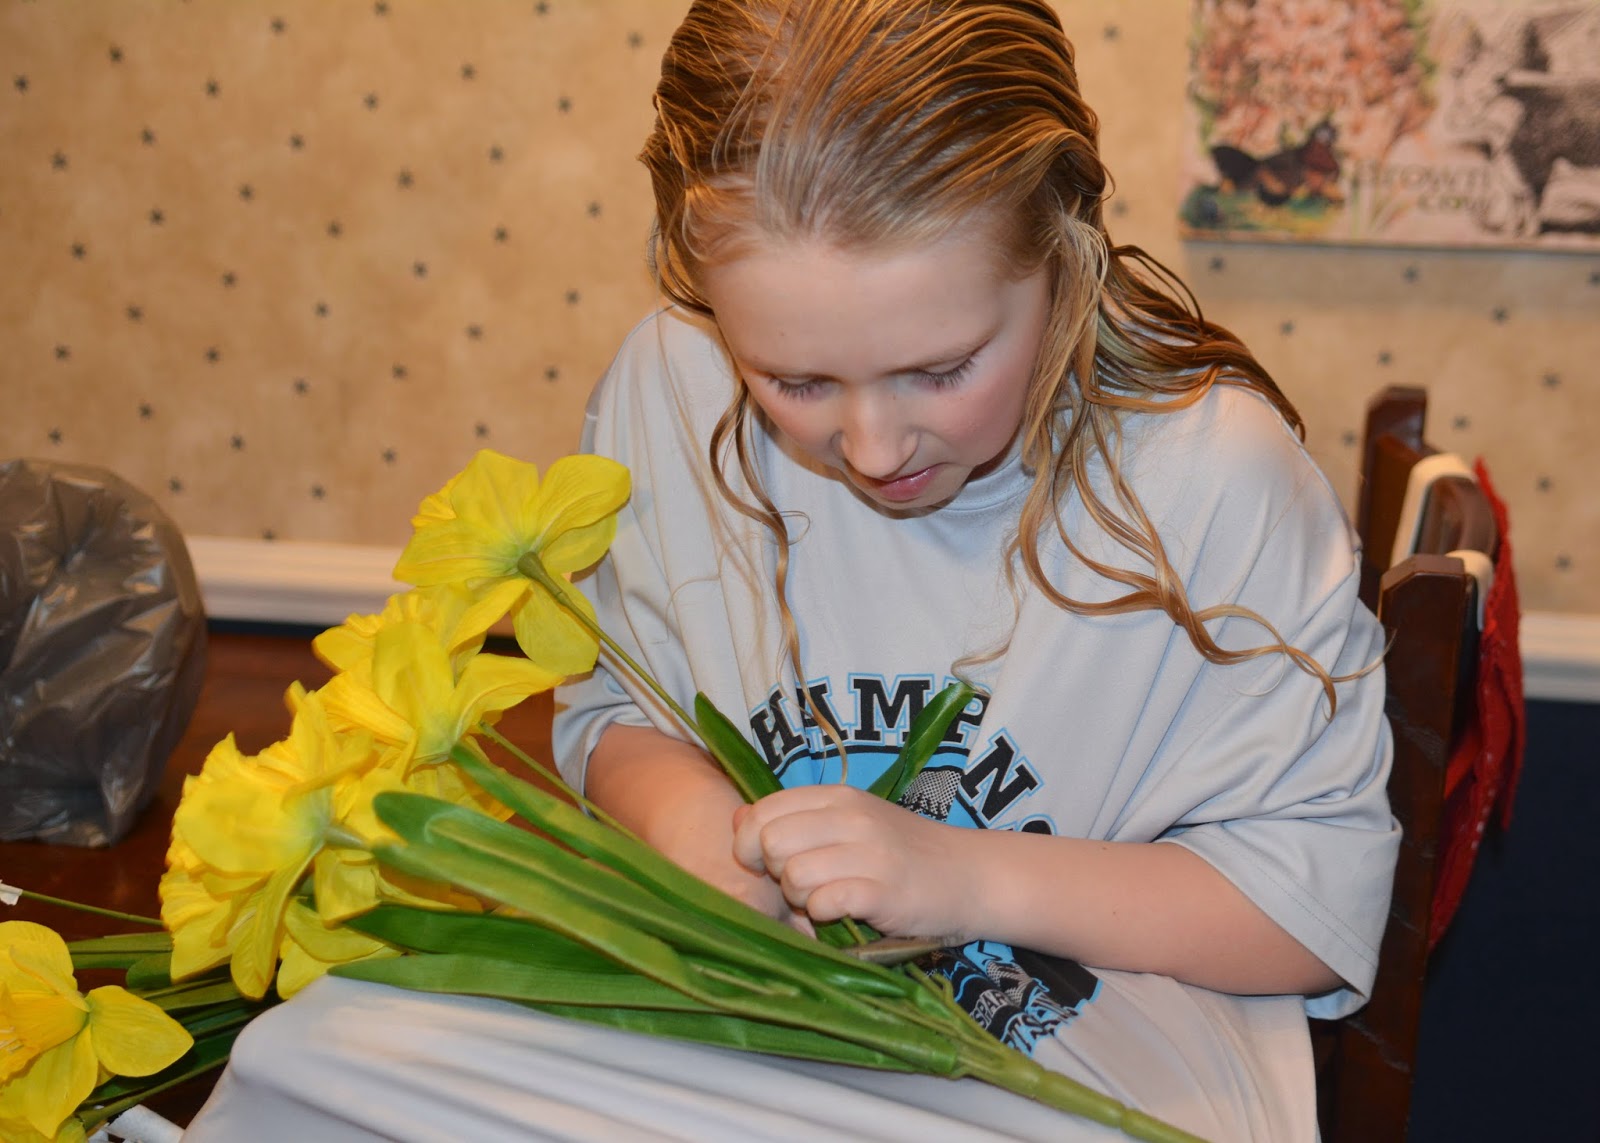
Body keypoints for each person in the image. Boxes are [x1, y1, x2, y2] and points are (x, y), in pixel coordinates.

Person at [549, 1, 1399, 1139]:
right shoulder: (669, 382)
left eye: (941, 369)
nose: (873, 448)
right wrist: (695, 827)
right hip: (738, 1044)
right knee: (321, 1052)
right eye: (793, 383)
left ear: (1060, 249)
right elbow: (609, 706)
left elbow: (1308, 919)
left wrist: (959, 878)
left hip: (1107, 1065)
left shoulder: (1210, 477)